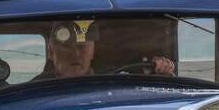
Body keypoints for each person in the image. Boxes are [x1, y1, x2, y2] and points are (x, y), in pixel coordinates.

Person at [34, 19, 175, 81]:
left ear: (92, 51)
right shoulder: (35, 90)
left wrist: (160, 73)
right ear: (50, 52)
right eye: (66, 46)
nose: (75, 54)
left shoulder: (115, 80)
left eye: (82, 47)